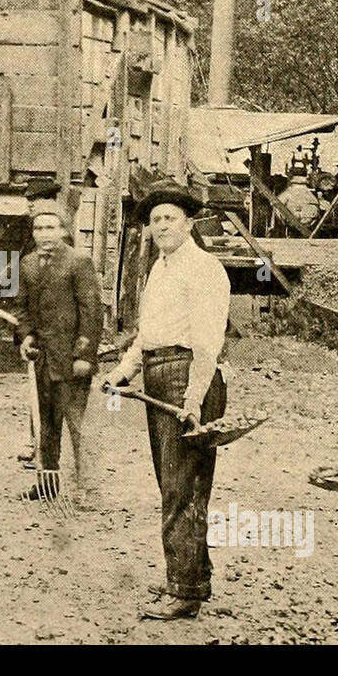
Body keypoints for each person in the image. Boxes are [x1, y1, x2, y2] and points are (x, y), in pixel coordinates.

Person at [104, 182, 229, 620]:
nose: (161, 226)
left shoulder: (205, 269)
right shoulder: (159, 268)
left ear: (189, 222)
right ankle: (192, 573)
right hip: (160, 373)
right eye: (155, 219)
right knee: (174, 484)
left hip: (188, 376)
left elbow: (208, 344)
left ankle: (186, 591)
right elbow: (148, 335)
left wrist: (194, 399)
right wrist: (123, 371)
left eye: (169, 217)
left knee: (183, 487)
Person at [12, 201, 102, 498]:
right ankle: (47, 485)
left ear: (63, 230)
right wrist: (25, 337)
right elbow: (21, 308)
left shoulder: (78, 261)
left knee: (77, 426)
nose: (44, 234)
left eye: (50, 227)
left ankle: (86, 489)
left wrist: (83, 356)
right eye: (38, 228)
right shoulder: (26, 264)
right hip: (42, 359)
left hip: (71, 360)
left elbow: (91, 312)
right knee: (44, 426)